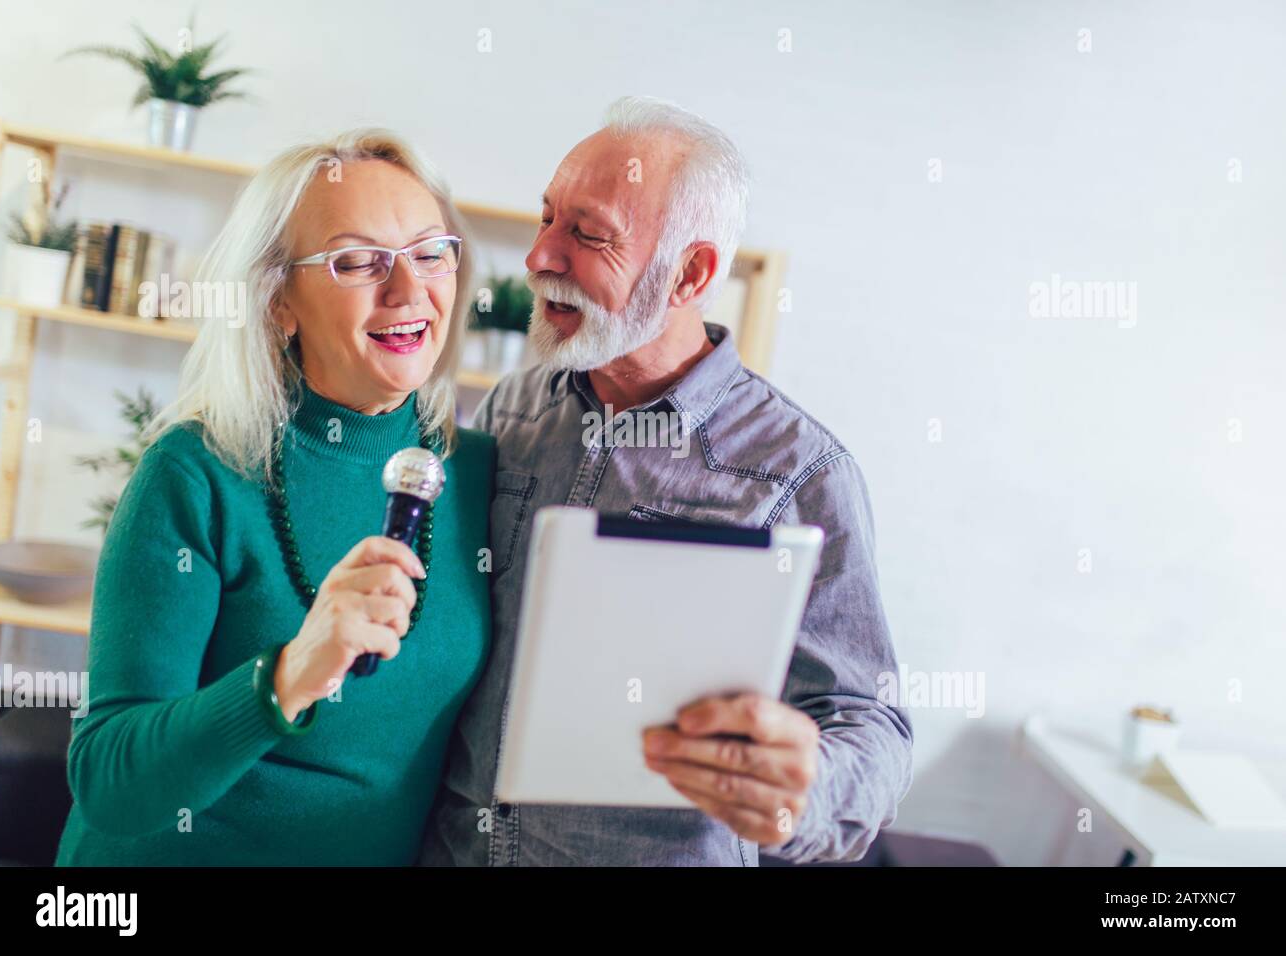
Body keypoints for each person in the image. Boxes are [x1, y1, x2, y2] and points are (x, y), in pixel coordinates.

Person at [421, 96, 913, 866]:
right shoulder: (513, 407)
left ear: (691, 273)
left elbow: (869, 722)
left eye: (588, 234)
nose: (540, 256)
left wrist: (803, 788)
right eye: (547, 218)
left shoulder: (802, 471)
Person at [56, 129, 494, 865]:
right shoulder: (196, 472)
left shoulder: (483, 475)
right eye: (358, 261)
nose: (409, 290)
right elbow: (108, 781)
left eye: (429, 252)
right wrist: (290, 675)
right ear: (277, 301)